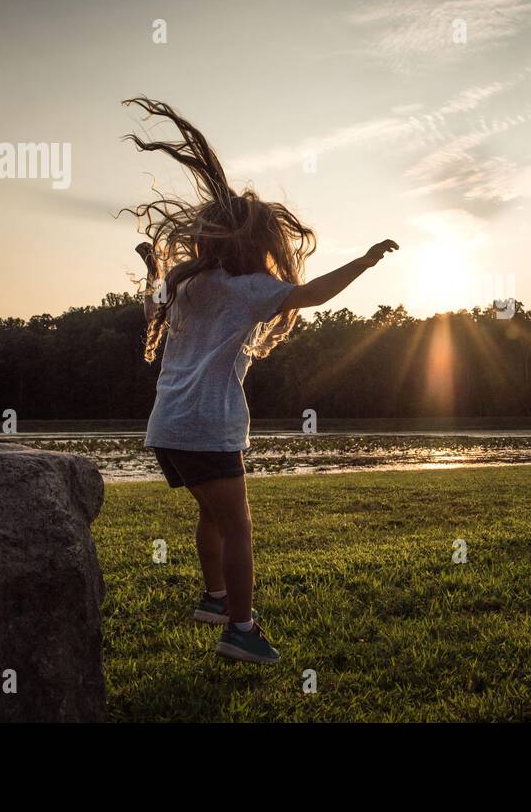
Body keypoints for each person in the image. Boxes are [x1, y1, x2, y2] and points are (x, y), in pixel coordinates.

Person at [123, 97, 399, 664]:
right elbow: (311, 294)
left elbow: (153, 302)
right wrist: (366, 262)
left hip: (167, 428)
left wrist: (155, 267)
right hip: (207, 426)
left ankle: (215, 600)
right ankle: (241, 631)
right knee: (239, 526)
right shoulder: (247, 289)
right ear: (257, 244)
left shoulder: (189, 285)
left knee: (211, 515)